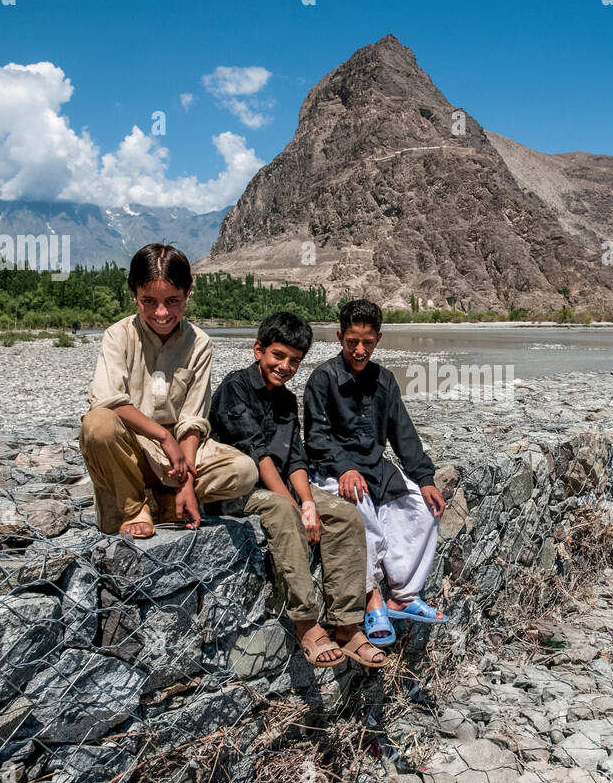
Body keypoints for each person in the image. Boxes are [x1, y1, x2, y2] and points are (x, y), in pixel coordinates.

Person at [210, 312, 385, 669]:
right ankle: (306, 621)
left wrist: (308, 501)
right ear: (259, 350)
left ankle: (346, 625)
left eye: (294, 361)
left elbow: (296, 460)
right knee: (283, 511)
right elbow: (258, 456)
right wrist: (294, 505)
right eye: (278, 356)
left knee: (345, 515)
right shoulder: (235, 387)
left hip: (280, 482)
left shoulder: (287, 401)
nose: (285, 366)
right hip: (239, 486)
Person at [79, 243, 256, 538]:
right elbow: (110, 401)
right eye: (149, 301)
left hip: (180, 452)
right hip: (131, 446)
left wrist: (186, 481)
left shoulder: (199, 343)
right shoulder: (118, 335)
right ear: (133, 293)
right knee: (97, 424)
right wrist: (162, 437)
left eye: (173, 301)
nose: (161, 313)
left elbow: (192, 420)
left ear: (188, 292)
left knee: (243, 470)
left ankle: (168, 495)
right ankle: (135, 507)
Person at [303, 299, 447, 646]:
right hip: (333, 471)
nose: (359, 349)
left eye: (367, 342)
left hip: (377, 469)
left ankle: (403, 595)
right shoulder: (322, 379)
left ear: (378, 339)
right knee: (359, 510)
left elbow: (403, 434)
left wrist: (425, 479)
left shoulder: (384, 380)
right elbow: (316, 438)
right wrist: (344, 469)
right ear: (340, 337)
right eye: (352, 341)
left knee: (423, 508)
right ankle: (372, 600)